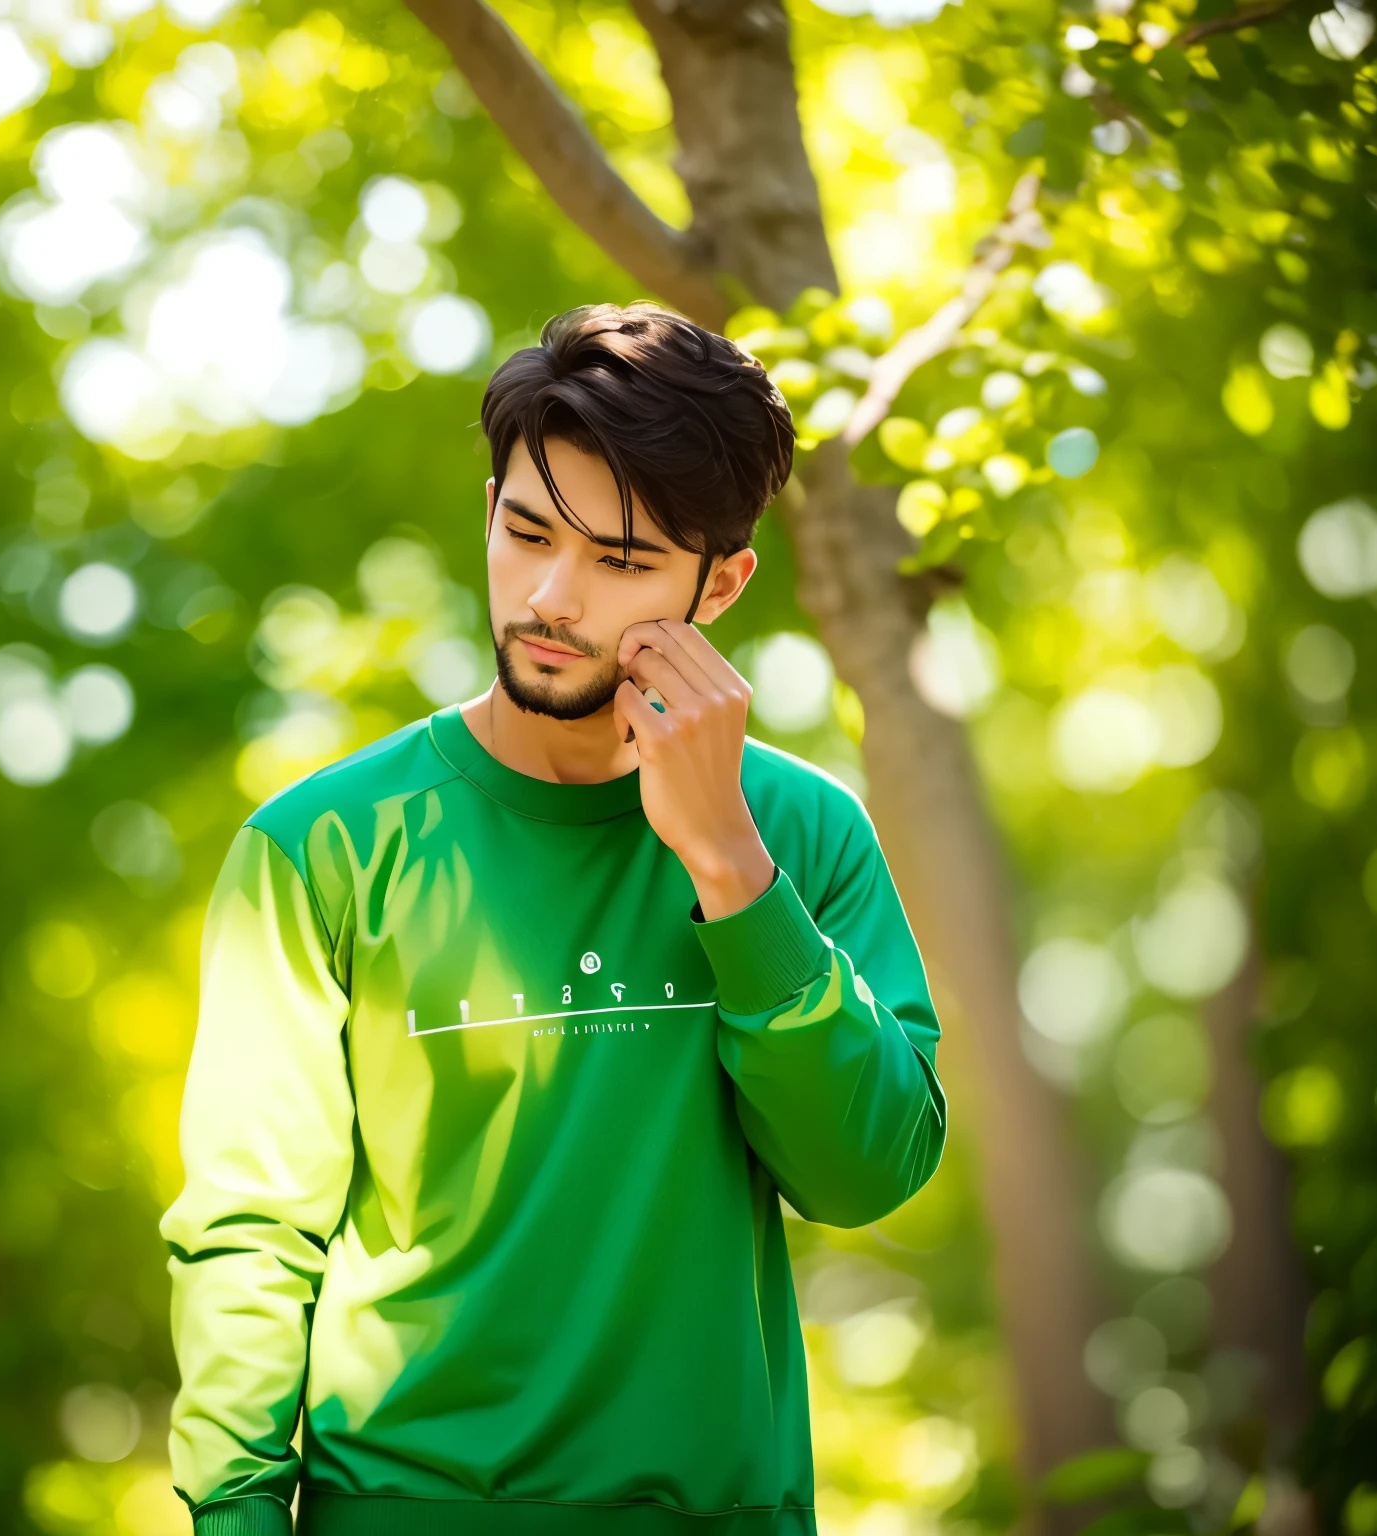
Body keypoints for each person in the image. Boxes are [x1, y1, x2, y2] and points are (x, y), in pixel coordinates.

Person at [159, 302, 947, 1535]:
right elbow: (250, 1234)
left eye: (620, 562)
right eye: (526, 533)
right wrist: (236, 1517)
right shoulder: (320, 848)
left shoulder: (800, 836)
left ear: (719, 583)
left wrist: (728, 867)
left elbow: (863, 1173)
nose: (550, 596)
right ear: (487, 512)